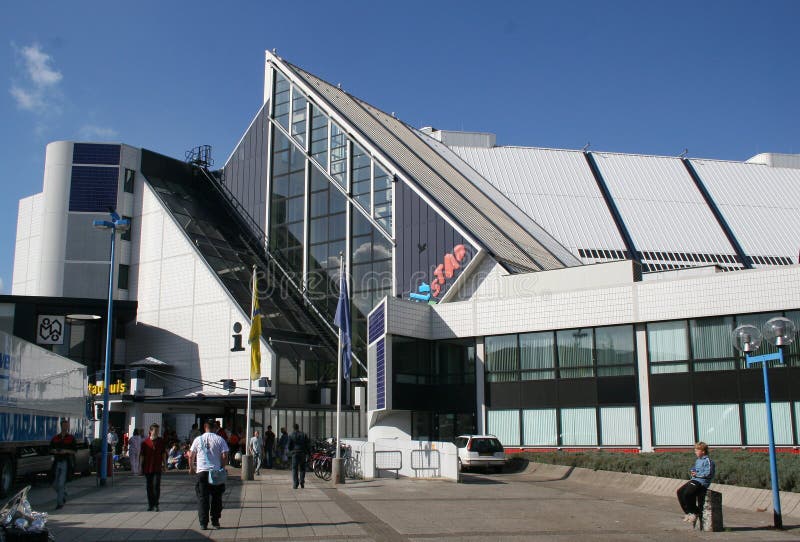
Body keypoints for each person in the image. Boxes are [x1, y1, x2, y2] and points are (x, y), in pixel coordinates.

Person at [190, 418, 229, 530]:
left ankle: (203, 523)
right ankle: (215, 521)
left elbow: (191, 455)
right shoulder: (220, 439)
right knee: (217, 497)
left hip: (202, 472)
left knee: (203, 498)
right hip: (215, 473)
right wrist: (222, 466)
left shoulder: (198, 439)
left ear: (205, 427)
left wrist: (192, 468)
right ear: (215, 428)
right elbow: (225, 455)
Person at [677, 441, 715, 526]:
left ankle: (695, 512)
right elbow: (695, 468)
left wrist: (697, 474)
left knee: (688, 493)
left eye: (697, 450)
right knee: (680, 492)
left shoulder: (708, 461)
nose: (695, 452)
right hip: (695, 480)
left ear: (703, 451)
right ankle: (688, 513)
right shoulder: (698, 460)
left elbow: (709, 473)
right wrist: (693, 471)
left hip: (702, 482)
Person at [50, 419, 76, 510]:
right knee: (54, 484)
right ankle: (63, 494)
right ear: (61, 426)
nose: (65, 427)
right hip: (56, 461)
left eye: (67, 425)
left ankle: (59, 503)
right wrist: (55, 451)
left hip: (66, 461)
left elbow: (74, 451)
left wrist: (65, 451)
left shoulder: (71, 438)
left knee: (61, 483)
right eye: (64, 425)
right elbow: (50, 449)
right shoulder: (56, 438)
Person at [141, 423, 167, 511]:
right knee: (149, 487)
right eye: (155, 430)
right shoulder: (145, 443)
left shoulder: (161, 441)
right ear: (150, 431)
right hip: (147, 467)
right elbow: (142, 455)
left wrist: (165, 465)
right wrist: (140, 467)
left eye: (157, 431)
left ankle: (156, 504)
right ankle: (150, 504)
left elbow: (163, 454)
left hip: (157, 467)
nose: (156, 432)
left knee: (156, 485)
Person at [287, 423, 309, 489]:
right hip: (302, 453)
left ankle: (295, 484)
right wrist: (308, 452)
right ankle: (302, 482)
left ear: (293, 428)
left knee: (294, 469)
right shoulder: (304, 434)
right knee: (302, 468)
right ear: (298, 427)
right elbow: (307, 444)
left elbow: (289, 446)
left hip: (295, 453)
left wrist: (292, 450)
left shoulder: (291, 435)